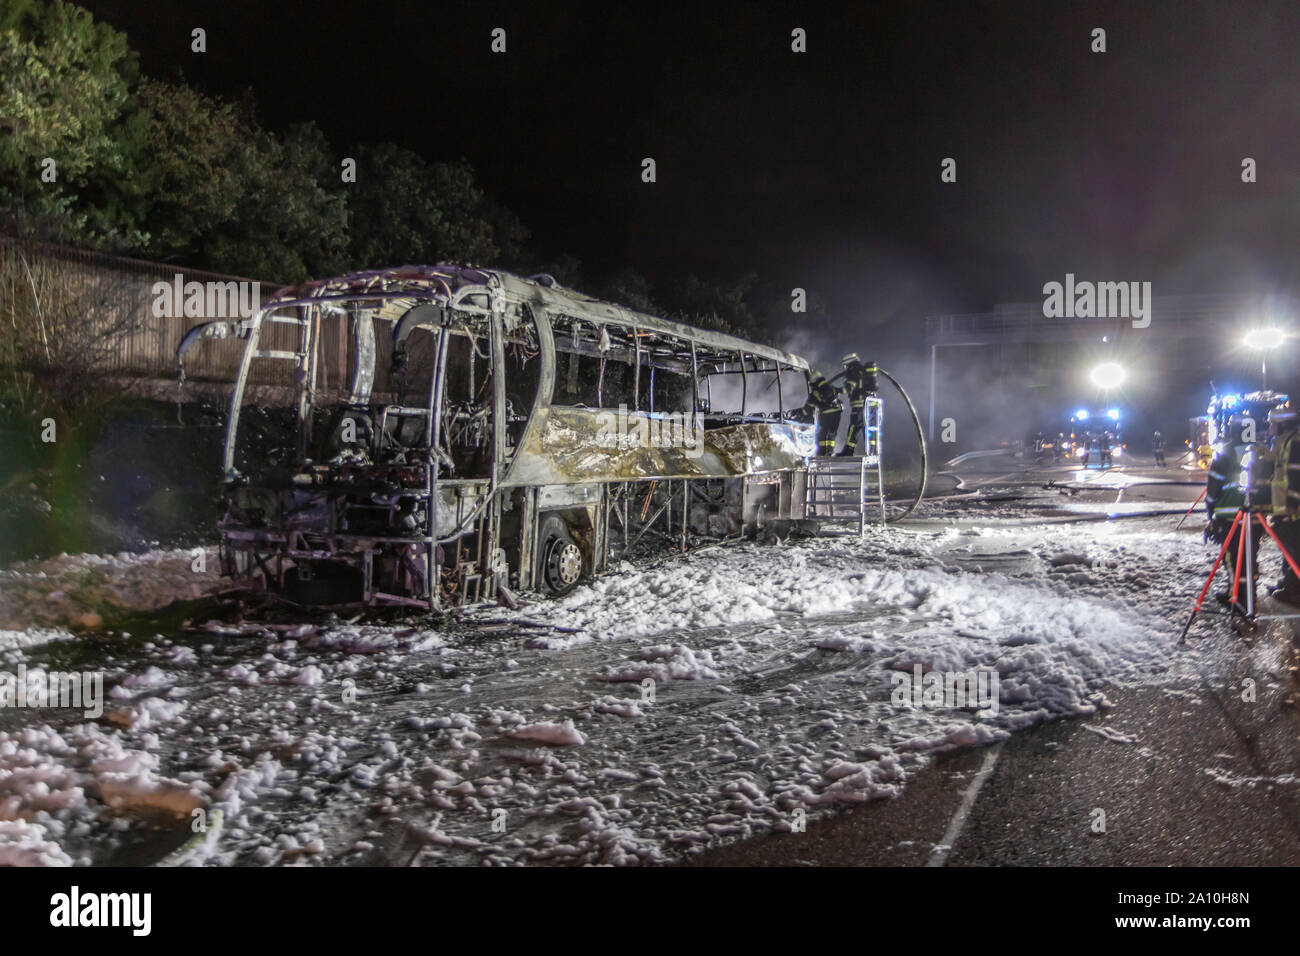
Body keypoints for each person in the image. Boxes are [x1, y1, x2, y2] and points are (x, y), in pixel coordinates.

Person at [1205, 414, 1260, 602]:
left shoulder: (1225, 452)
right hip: (1255, 515)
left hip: (1230, 517)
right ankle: (1249, 597)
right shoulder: (1259, 451)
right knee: (1250, 556)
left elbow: (1213, 487)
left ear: (1232, 430)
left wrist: (1210, 510)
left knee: (1233, 557)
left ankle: (1236, 597)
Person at [1265, 405, 1300, 604]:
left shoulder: (1295, 443)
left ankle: (1295, 590)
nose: (1270, 426)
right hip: (1286, 508)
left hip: (1293, 509)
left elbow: (1296, 476)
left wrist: (1291, 505)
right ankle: (1288, 581)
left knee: (1295, 549)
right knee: (1288, 547)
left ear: (1283, 424)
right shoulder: (1285, 441)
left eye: (1273, 423)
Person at [837, 353, 878, 457]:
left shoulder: (853, 371)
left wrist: (835, 391)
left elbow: (849, 388)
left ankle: (848, 451)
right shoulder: (861, 370)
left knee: (854, 427)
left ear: (849, 363)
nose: (845, 368)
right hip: (869, 404)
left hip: (859, 405)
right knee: (866, 428)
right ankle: (872, 451)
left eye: (845, 365)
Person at [799, 371, 842, 456]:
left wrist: (800, 414)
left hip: (826, 414)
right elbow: (838, 394)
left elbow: (807, 408)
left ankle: (821, 453)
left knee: (822, 434)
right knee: (831, 434)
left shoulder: (815, 392)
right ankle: (829, 452)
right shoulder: (830, 386)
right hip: (837, 412)